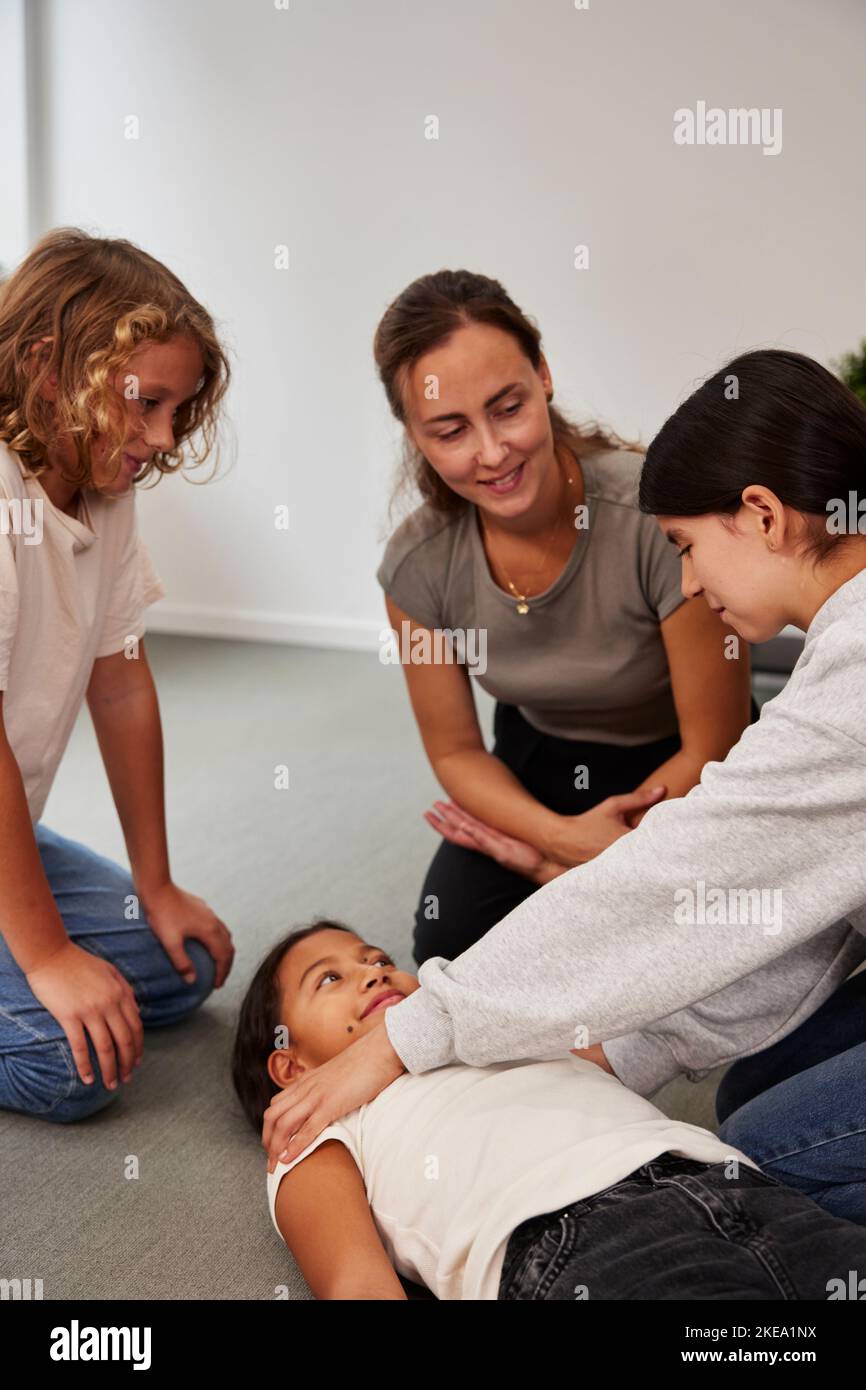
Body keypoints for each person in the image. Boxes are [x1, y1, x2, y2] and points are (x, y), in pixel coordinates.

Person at [262, 348, 866, 1226]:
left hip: (660, 787)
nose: (690, 581)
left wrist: (405, 1035)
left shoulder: (849, 689)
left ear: (764, 516)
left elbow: (678, 880)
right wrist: (626, 1046)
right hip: (559, 776)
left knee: (764, 1160)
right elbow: (796, 903)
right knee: (750, 1095)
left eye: (689, 549)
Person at [373, 270, 754, 963]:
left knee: (714, 941)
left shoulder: (653, 516)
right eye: (451, 430)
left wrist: (613, 857)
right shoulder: (416, 566)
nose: (492, 453)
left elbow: (715, 744)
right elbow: (456, 750)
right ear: (415, 436)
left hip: (685, 761)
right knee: (451, 943)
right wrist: (559, 837)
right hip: (540, 755)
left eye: (507, 408)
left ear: (543, 375)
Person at [237, 921, 866, 1300]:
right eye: (330, 979)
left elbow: (632, 1007)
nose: (373, 974)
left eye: (376, 959)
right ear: (289, 1066)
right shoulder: (321, 1130)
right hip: (576, 1241)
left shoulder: (473, 1033)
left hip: (730, 1182)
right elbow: (357, 1283)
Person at [0, 228, 235, 1122]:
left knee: (183, 972)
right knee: (72, 1063)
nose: (163, 438)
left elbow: (121, 682)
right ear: (48, 368)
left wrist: (158, 881)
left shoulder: (105, 489)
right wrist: (50, 956)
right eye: (147, 404)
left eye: (179, 410)